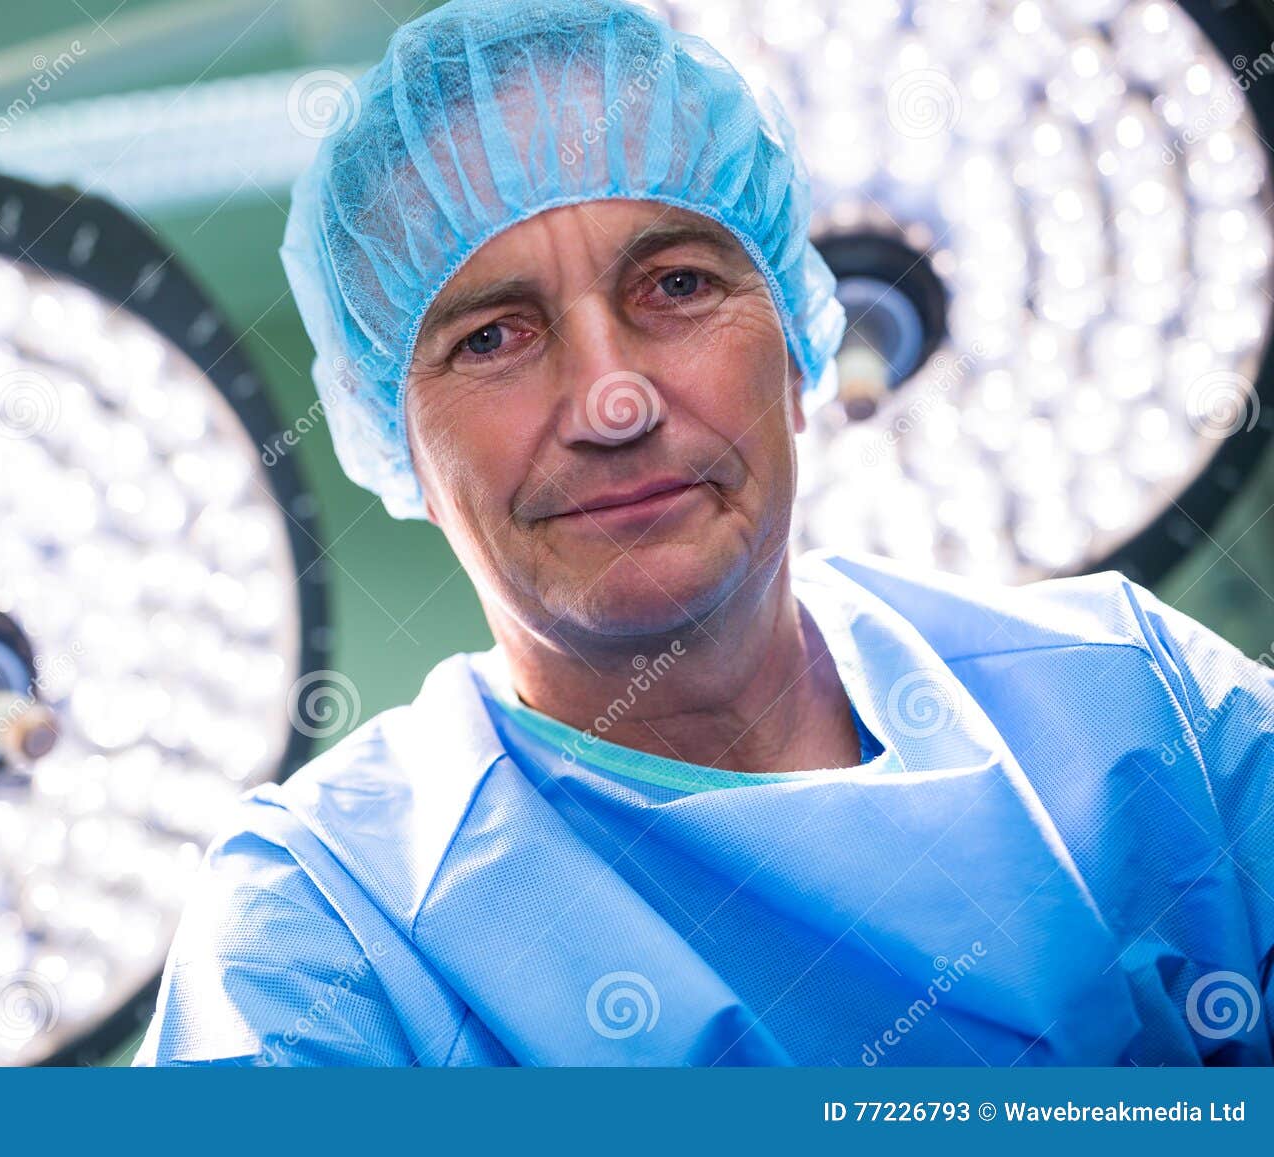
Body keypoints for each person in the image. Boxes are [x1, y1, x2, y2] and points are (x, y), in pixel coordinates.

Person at [134, 0, 1274, 1066]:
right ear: (401, 443)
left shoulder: (1131, 705)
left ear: (795, 346)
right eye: (491, 337)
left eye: (676, 283)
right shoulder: (330, 926)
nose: (611, 401)